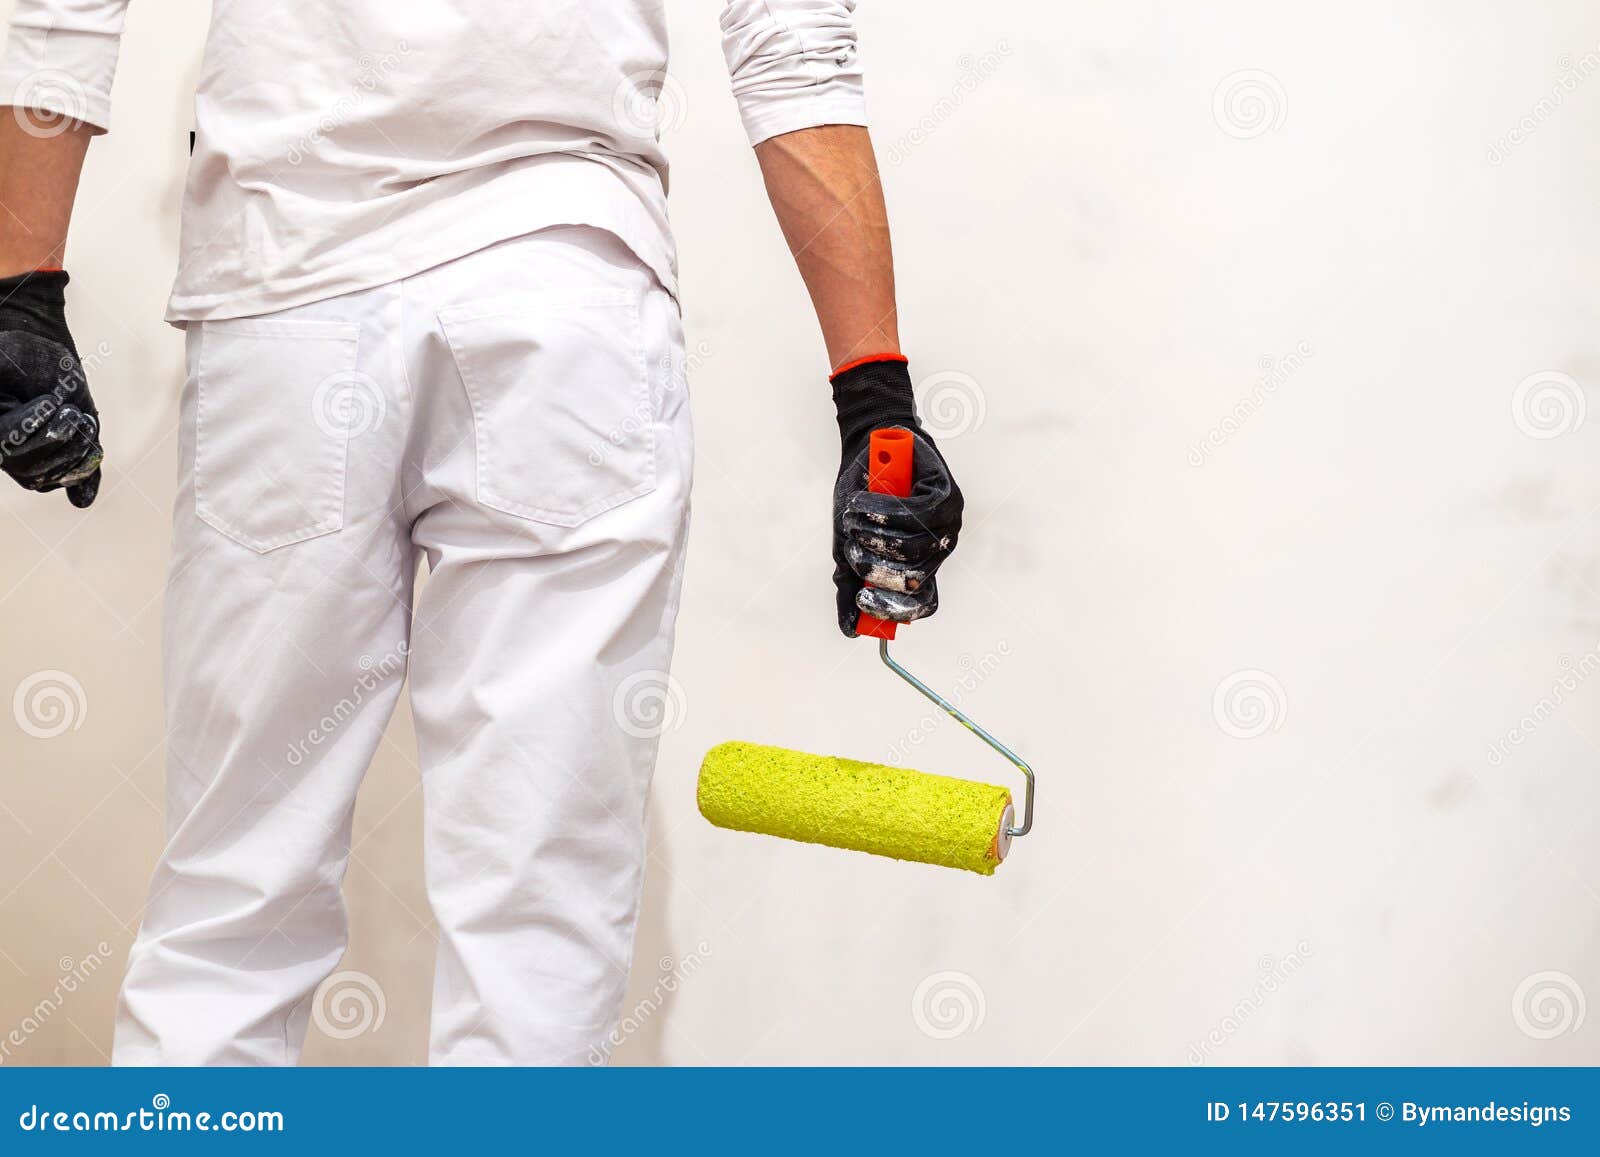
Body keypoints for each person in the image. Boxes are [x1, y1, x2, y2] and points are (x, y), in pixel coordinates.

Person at [0, 0, 964, 1064]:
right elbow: (790, 34)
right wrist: (873, 393)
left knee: (231, 899)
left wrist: (23, 288)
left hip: (291, 295)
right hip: (564, 308)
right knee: (539, 929)